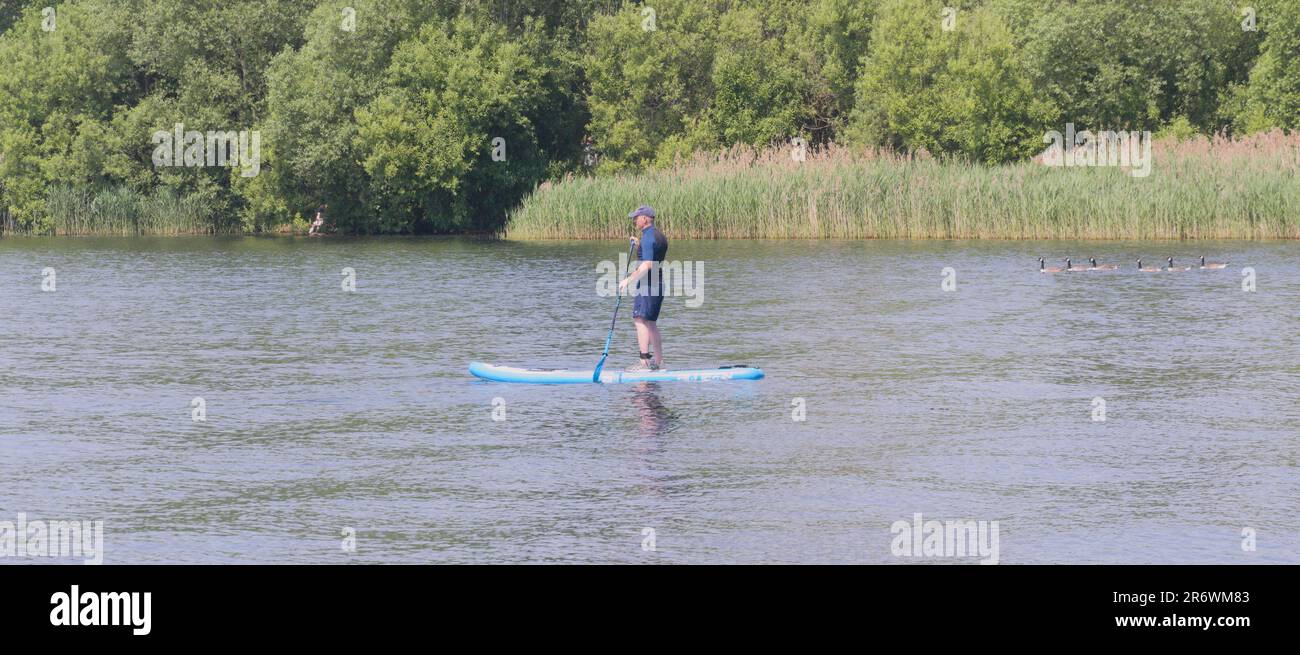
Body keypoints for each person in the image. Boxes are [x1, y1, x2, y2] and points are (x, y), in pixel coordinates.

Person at [618, 205, 668, 371]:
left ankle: (644, 363)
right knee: (651, 322)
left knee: (639, 319)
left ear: (645, 218)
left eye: (637, 217)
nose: (634, 220)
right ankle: (659, 363)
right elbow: (652, 256)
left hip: (647, 283)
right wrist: (639, 245)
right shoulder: (658, 235)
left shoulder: (648, 238)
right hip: (658, 281)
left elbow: (646, 265)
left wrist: (627, 281)